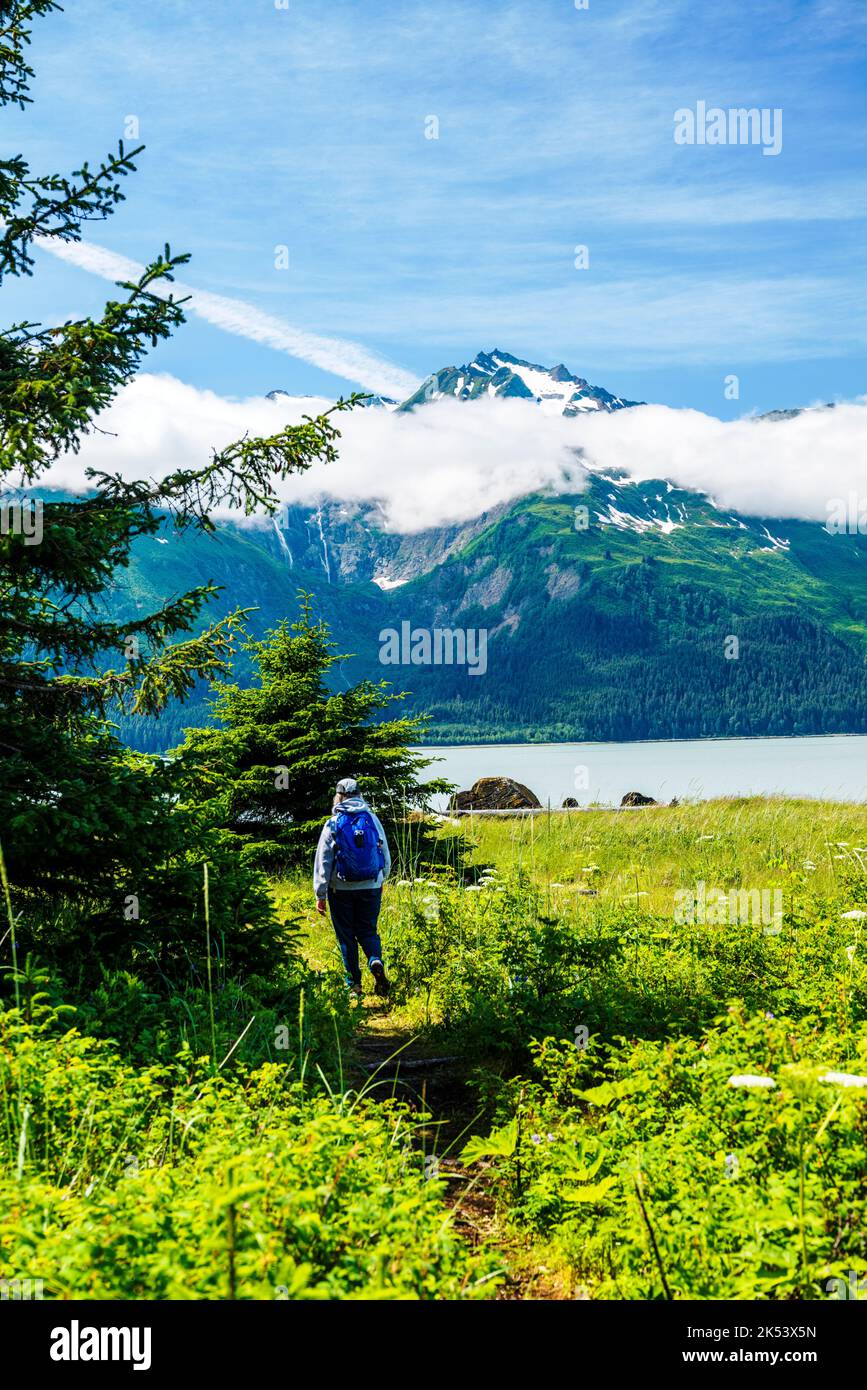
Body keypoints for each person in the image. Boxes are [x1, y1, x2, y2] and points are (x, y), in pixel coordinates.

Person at [314, 777, 391, 997]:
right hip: (371, 886)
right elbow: (384, 852)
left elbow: (324, 860)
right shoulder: (372, 819)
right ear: (359, 794)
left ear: (338, 796)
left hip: (341, 889)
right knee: (368, 930)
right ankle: (375, 960)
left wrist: (320, 894)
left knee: (346, 936)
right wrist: (381, 878)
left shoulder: (333, 822)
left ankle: (354, 986)